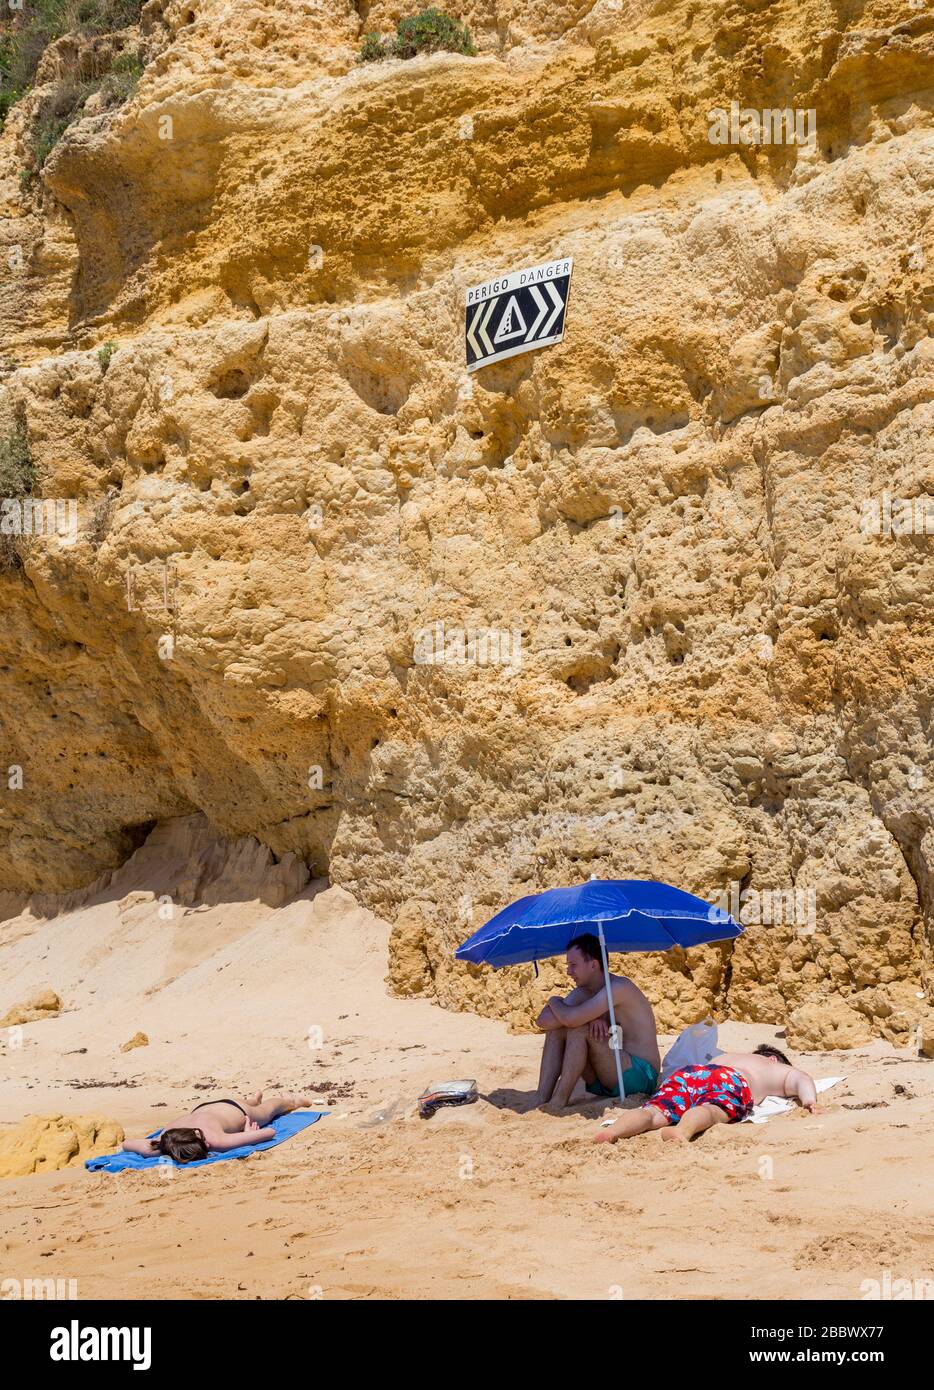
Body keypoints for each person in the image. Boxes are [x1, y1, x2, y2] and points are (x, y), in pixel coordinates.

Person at [592, 1044, 818, 1144]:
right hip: (729, 1080)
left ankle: (613, 1132)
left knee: (653, 1112)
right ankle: (681, 1131)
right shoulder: (773, 1066)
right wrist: (809, 1100)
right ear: (773, 1058)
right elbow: (801, 1079)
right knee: (711, 1108)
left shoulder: (728, 1055)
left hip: (692, 1072)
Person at [535, 934, 660, 1110]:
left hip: (639, 1076)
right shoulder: (585, 992)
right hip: (606, 1078)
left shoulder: (618, 988)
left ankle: (558, 1101)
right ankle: (541, 1097)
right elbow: (543, 1021)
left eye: (573, 965)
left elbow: (571, 1019)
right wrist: (589, 1016)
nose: (568, 972)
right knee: (558, 1030)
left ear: (594, 964)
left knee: (578, 1029)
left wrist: (554, 1001)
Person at [122, 1091, 312, 1164]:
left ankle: (291, 1102)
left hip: (239, 1111)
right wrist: (153, 1148)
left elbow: (270, 1132)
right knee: (256, 1104)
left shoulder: (216, 1140)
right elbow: (127, 1144)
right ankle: (253, 1098)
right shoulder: (159, 1143)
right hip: (209, 1106)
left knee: (269, 1110)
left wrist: (248, 1135)